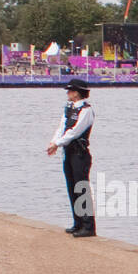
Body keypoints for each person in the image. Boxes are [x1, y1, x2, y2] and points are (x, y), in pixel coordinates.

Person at [46, 78, 96, 237]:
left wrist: (57, 143)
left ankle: (88, 226)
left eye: (70, 90)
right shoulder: (68, 108)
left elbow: (75, 131)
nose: (68, 93)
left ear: (77, 93)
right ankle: (78, 222)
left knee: (81, 188)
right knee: (71, 187)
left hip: (80, 154)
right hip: (68, 152)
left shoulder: (86, 110)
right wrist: (54, 142)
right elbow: (62, 127)